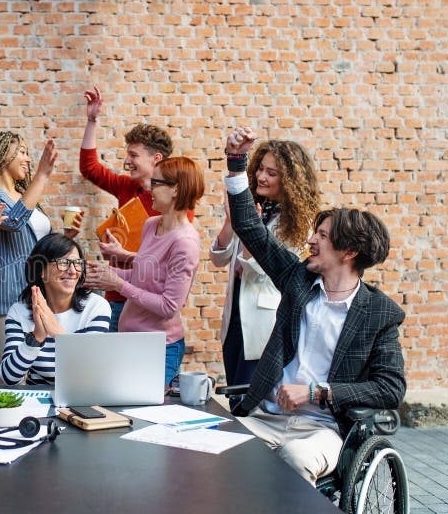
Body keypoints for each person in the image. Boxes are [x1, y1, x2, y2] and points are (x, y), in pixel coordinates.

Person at [222, 127, 406, 485]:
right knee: (212, 446)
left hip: (322, 431)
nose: (310, 240)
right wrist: (235, 162)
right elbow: (250, 227)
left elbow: (390, 388)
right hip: (266, 418)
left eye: (321, 236)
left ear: (349, 252)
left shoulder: (379, 313)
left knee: (293, 460)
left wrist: (317, 392)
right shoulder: (297, 281)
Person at [210, 140, 320, 401]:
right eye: (260, 169)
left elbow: (261, 269)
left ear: (290, 180)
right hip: (235, 316)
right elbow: (218, 258)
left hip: (263, 324)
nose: (260, 176)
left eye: (271, 173)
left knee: (251, 399)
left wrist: (251, 229)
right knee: (235, 394)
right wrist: (231, 222)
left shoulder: (298, 224)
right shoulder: (254, 210)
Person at [86, 156, 204, 387]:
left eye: (156, 182)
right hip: (128, 340)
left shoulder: (185, 242)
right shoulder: (151, 225)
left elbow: (169, 307)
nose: (149, 187)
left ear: (176, 190)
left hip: (159, 348)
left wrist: (118, 285)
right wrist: (105, 275)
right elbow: (142, 277)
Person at [0, 131, 82, 366]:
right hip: (9, 298)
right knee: (15, 373)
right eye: (22, 152)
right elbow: (12, 222)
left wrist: (64, 239)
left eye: (29, 154)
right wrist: (41, 176)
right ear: (3, 156)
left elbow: (39, 246)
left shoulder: (25, 195)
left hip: (43, 296)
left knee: (46, 368)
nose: (29, 159)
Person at [80, 85, 183, 331]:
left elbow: (167, 264)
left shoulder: (177, 201)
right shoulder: (127, 186)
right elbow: (89, 168)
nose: (127, 161)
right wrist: (92, 121)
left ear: (155, 158)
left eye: (133, 155)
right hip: (117, 295)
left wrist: (124, 256)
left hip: (150, 298)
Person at [0, 234, 111, 385]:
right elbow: (8, 379)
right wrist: (36, 338)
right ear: (42, 271)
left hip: (81, 398)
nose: (73, 271)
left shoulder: (96, 307)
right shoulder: (19, 312)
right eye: (64, 262)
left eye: (77, 263)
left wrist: (56, 332)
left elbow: (92, 371)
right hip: (38, 402)